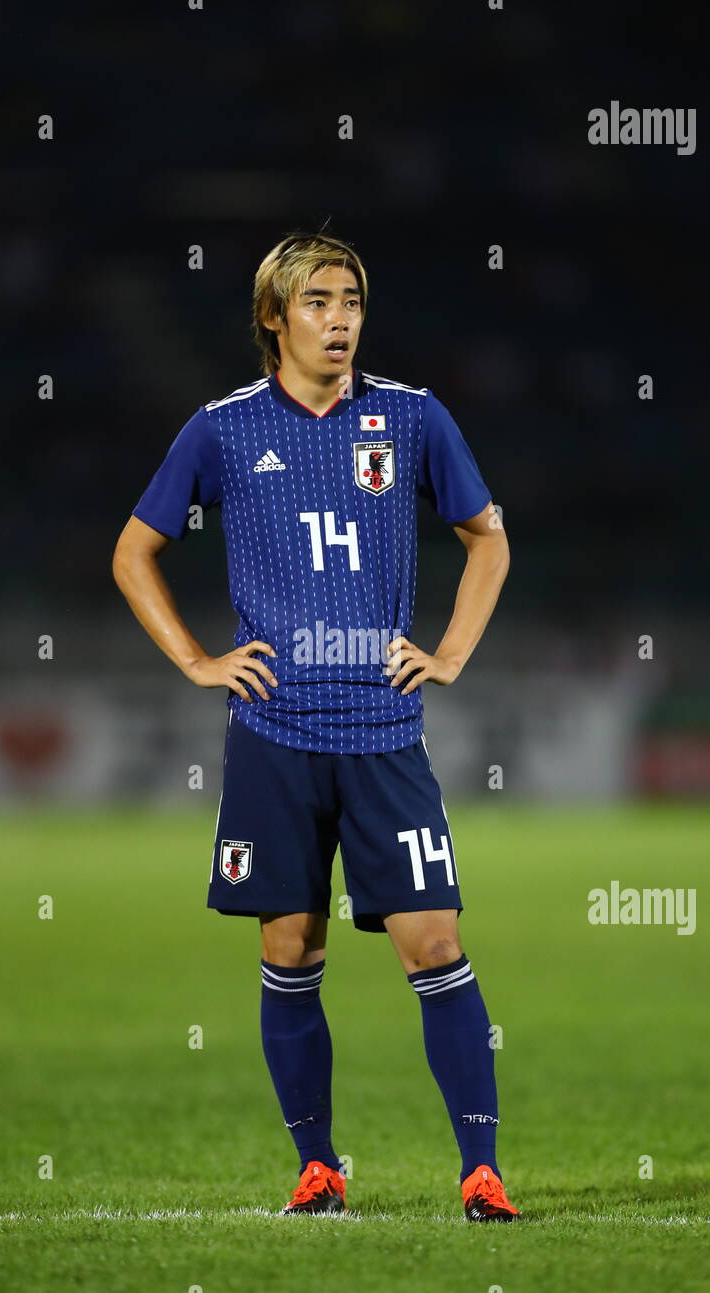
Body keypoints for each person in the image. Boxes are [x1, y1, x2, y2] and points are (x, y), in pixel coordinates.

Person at [112, 231, 518, 1221]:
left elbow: (486, 538)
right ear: (272, 317)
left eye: (351, 301)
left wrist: (451, 652)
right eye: (318, 302)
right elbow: (132, 551)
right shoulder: (219, 429)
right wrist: (201, 663)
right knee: (289, 948)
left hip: (383, 728)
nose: (340, 319)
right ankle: (318, 1167)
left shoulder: (410, 417)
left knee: (432, 939)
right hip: (275, 734)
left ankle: (479, 1170)